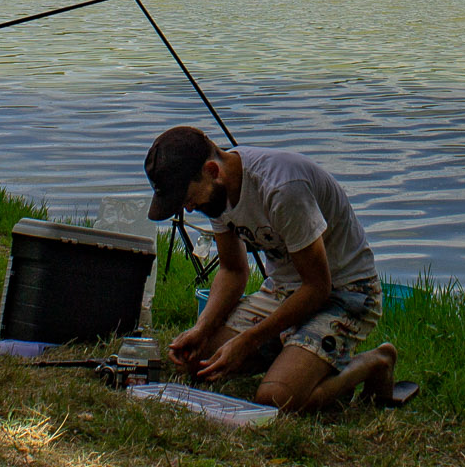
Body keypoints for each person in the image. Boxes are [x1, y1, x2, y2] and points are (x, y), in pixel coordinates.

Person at [145, 125, 413, 411]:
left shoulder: (282, 189)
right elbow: (233, 271)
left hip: (344, 292)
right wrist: (202, 328)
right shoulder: (217, 194)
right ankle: (300, 358)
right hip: (284, 291)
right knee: (198, 364)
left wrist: (249, 340)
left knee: (276, 399)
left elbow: (317, 288)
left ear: (212, 170)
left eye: (188, 199)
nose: (188, 209)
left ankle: (375, 362)